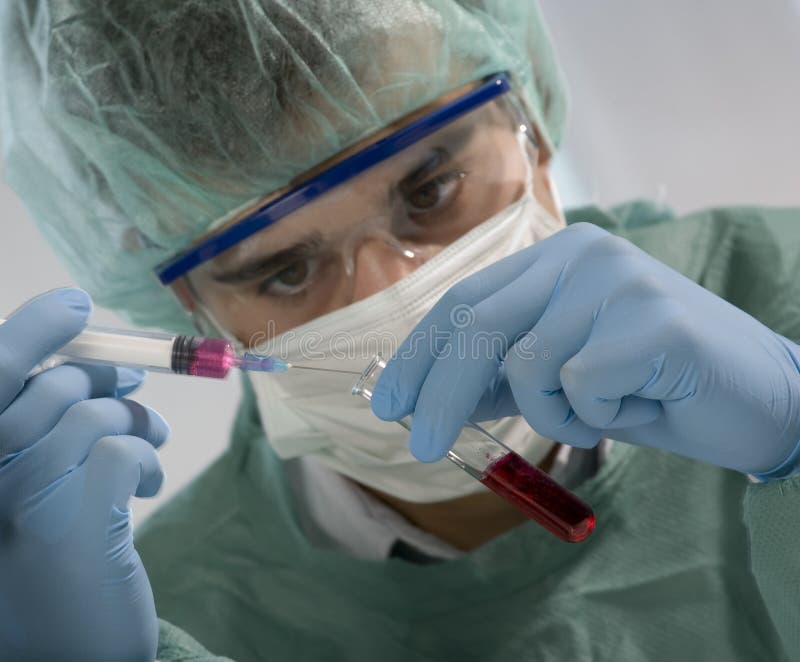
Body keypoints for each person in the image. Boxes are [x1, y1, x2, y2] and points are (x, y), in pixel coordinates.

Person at [0, 2, 798, 661]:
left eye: (432, 189)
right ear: (189, 311)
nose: (398, 296)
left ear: (532, 122)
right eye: (283, 271)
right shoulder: (135, 614)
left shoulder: (782, 294)